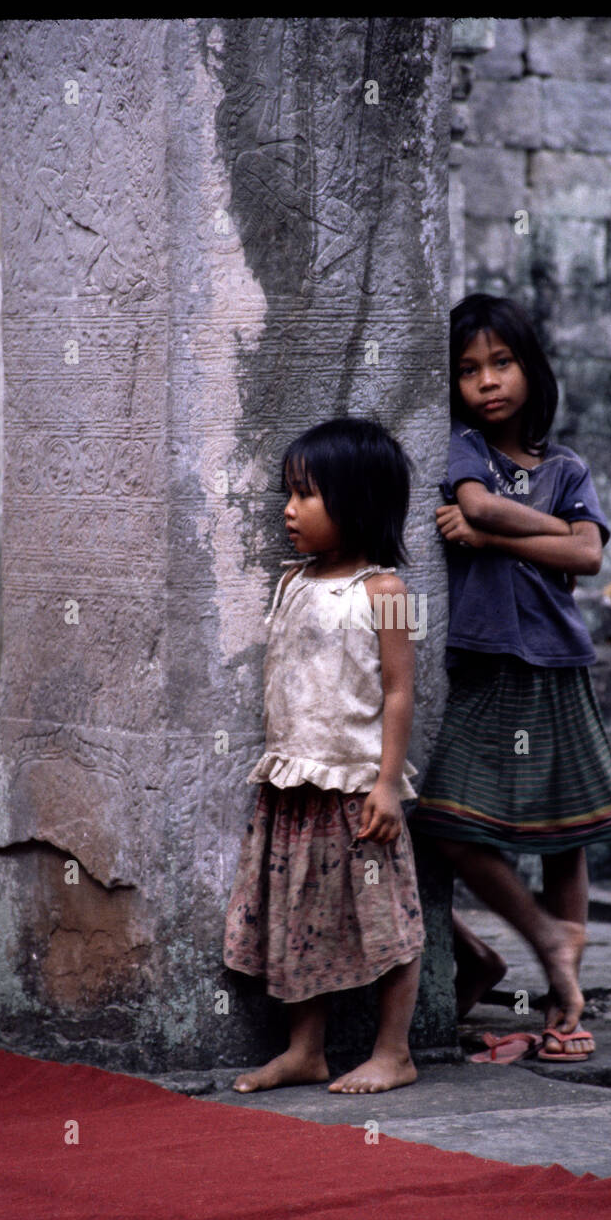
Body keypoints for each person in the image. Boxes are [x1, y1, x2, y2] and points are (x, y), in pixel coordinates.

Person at [409, 293, 611, 1062]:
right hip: (487, 663)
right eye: (469, 370)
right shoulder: (465, 449)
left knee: (568, 829)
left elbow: (589, 558)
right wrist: (539, 527)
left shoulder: (568, 466)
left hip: (559, 662)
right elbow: (484, 505)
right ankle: (541, 935)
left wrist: (492, 535)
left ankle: (564, 1003)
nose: (487, 382)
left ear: (530, 370)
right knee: (443, 818)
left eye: (502, 363)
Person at [223, 418, 425, 1094]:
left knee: (386, 922)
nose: (288, 509)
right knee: (300, 920)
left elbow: (399, 692)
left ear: (357, 502)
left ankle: (393, 1052)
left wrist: (388, 784)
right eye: (289, 493)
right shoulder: (291, 584)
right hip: (296, 780)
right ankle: (305, 1049)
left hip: (357, 788)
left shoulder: (384, 593)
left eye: (305, 495)